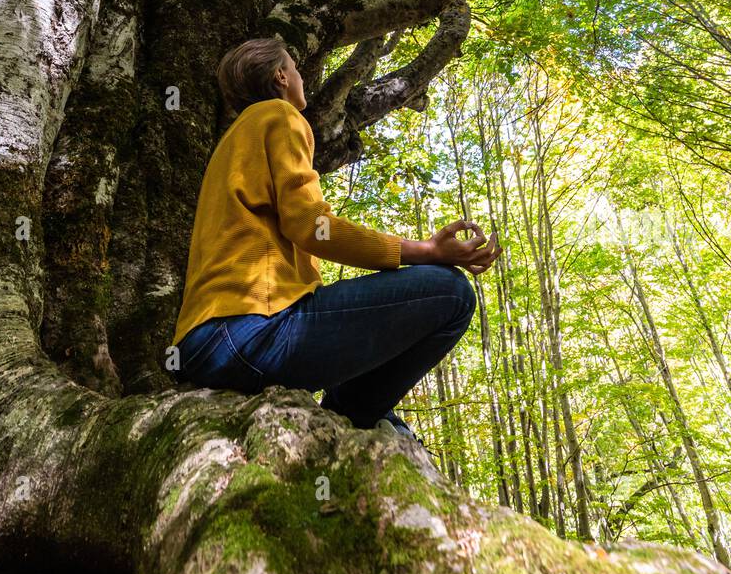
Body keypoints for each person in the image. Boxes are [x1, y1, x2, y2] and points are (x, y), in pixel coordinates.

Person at [169, 36, 502, 447]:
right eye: (295, 67)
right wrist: (427, 251)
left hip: (200, 348)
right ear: (280, 76)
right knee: (451, 294)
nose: (301, 77)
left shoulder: (231, 143)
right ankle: (356, 416)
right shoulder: (279, 116)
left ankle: (371, 414)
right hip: (248, 334)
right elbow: (311, 224)